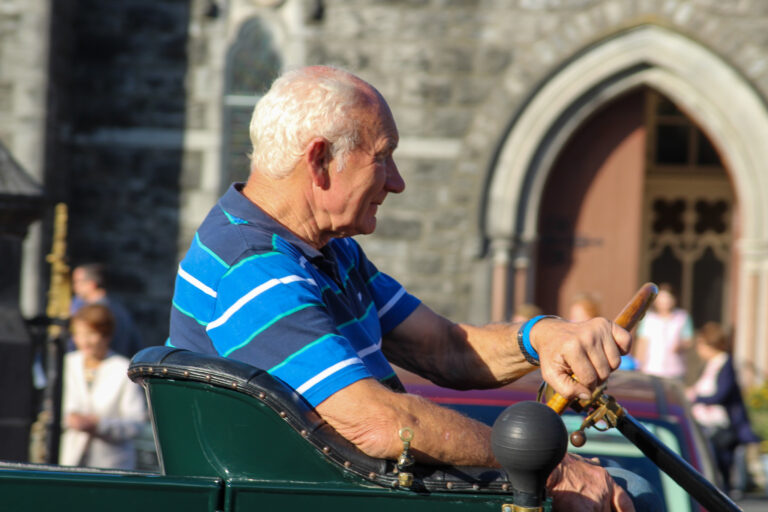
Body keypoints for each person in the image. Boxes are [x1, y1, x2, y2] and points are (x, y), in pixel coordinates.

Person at [167, 65, 656, 511]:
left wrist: (544, 337)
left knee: (631, 486)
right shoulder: (254, 268)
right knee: (631, 493)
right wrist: (546, 468)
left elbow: (445, 348)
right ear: (319, 162)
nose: (397, 183)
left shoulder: (329, 251)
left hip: (359, 492)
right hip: (333, 498)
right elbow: (378, 424)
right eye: (383, 157)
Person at [60, 304, 146, 469]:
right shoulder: (67, 363)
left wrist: (99, 425)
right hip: (69, 460)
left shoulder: (123, 368)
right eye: (79, 334)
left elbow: (136, 423)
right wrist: (70, 419)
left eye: (91, 334)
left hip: (111, 465)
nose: (84, 341)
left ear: (106, 335)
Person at [686, 322, 761, 494]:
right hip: (706, 422)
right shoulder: (710, 364)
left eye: (700, 344)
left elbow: (721, 394)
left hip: (721, 426)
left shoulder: (725, 364)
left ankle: (723, 498)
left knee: (721, 466)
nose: (698, 349)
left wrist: (696, 397)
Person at [70, 263, 144, 359]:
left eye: (78, 282)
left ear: (91, 284)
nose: (75, 287)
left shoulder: (107, 311)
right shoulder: (118, 308)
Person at [635, 283, 693, 380]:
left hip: (675, 369)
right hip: (651, 368)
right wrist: (638, 365)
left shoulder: (682, 317)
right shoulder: (648, 318)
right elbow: (642, 343)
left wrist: (680, 346)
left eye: (668, 299)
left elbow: (688, 340)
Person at [568, 293, 637, 370]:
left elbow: (628, 364)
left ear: (592, 318)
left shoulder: (604, 341)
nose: (573, 322)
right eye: (572, 317)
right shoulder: (569, 345)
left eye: (579, 317)